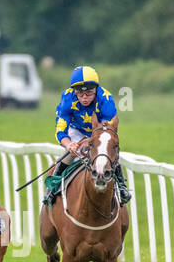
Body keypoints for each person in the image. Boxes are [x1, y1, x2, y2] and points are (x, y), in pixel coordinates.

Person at [47, 65, 129, 203]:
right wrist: (69, 144)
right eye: (80, 93)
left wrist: (91, 140)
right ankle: (52, 188)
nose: (84, 97)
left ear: (96, 89)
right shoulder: (67, 98)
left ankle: (121, 186)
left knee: (106, 151)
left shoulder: (105, 99)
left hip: (99, 131)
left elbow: (107, 130)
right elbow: (61, 129)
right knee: (72, 152)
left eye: (89, 93)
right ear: (74, 91)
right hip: (75, 130)